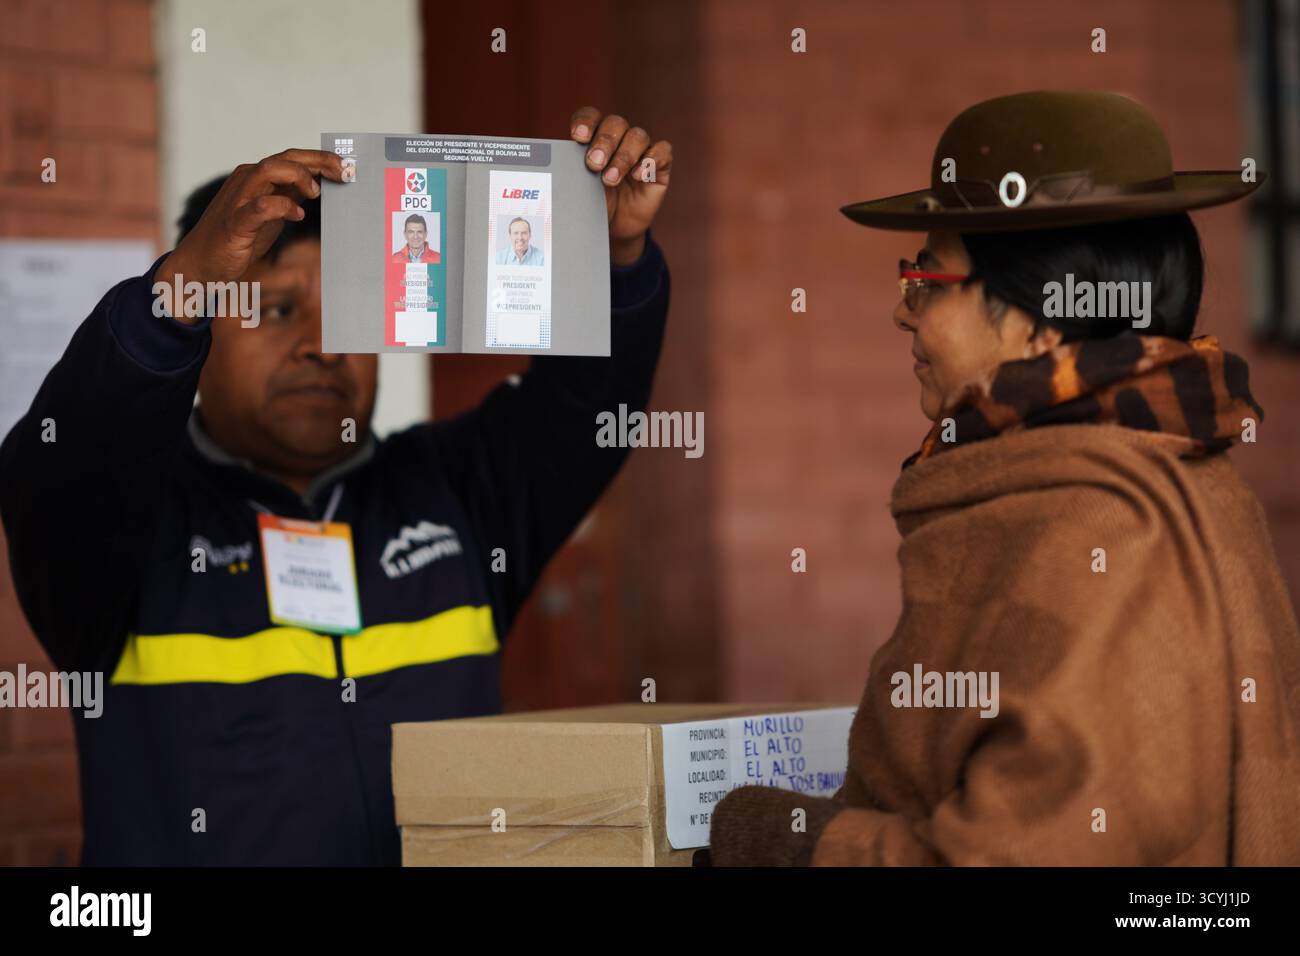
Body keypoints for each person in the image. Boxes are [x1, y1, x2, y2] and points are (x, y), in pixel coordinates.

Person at [0, 107, 674, 866]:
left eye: (347, 320)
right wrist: (181, 286)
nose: (322, 347)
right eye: (280, 310)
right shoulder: (128, 525)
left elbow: (588, 407)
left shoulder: (458, 492)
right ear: (205, 330)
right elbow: (65, 462)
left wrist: (613, 255)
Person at [709, 90, 1300, 866]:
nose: (904, 309)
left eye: (928, 277)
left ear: (1038, 325)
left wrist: (771, 837)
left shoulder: (1095, 529)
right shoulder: (1179, 472)